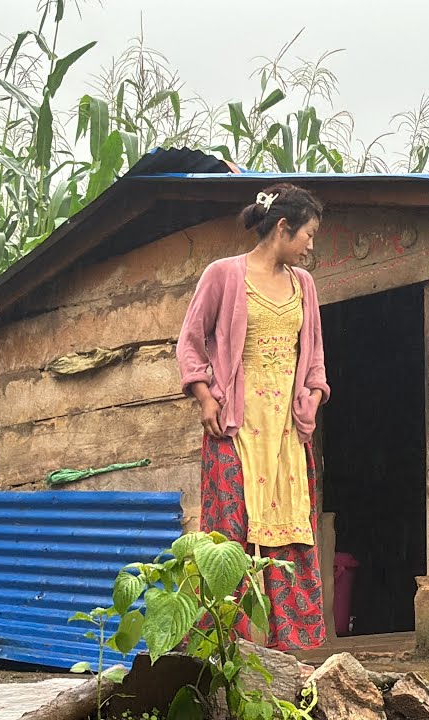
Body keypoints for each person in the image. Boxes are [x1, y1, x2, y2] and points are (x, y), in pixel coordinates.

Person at [176, 183, 329, 650]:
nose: (310, 245)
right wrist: (206, 398)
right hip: (235, 429)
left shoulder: (304, 285)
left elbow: (316, 359)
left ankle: (294, 652)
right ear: (283, 227)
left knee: (293, 539)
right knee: (228, 543)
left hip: (285, 432)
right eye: (308, 234)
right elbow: (190, 341)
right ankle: (224, 650)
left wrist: (312, 399)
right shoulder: (223, 275)